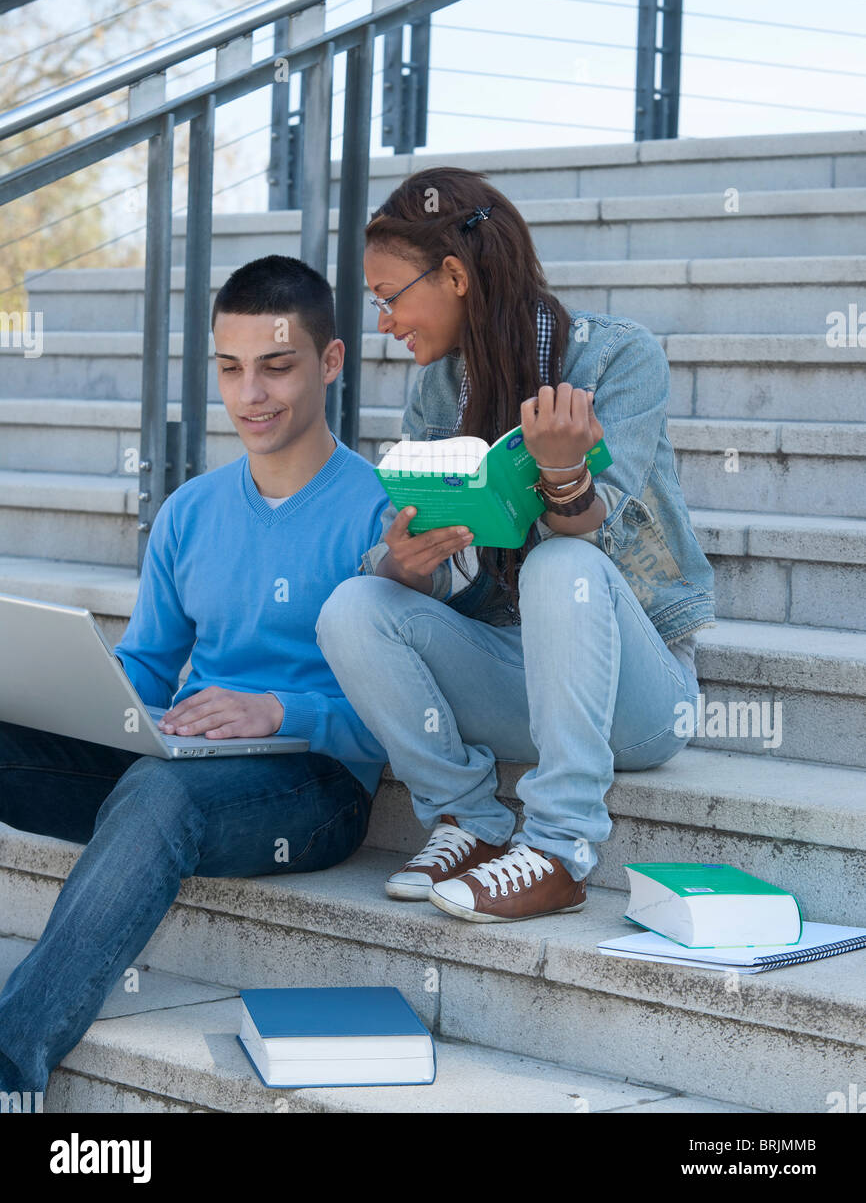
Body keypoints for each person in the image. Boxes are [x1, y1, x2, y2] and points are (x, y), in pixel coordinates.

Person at [0, 255, 391, 1099]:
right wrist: (77, 697)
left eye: (276, 367)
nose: (250, 395)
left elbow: (409, 716)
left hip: (316, 786)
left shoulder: (382, 513)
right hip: (181, 760)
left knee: (158, 795)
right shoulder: (191, 511)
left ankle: (10, 1066)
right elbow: (146, 664)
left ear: (330, 361)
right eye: (230, 368)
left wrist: (279, 709)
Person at [316, 166, 715, 924]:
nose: (384, 323)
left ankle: (559, 851)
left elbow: (598, 538)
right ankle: (472, 823)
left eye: (389, 297)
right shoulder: (438, 391)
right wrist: (413, 567)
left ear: (455, 275)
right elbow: (459, 574)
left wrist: (564, 477)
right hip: (522, 674)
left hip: (639, 698)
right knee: (355, 604)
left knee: (564, 562)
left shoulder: (615, 358)